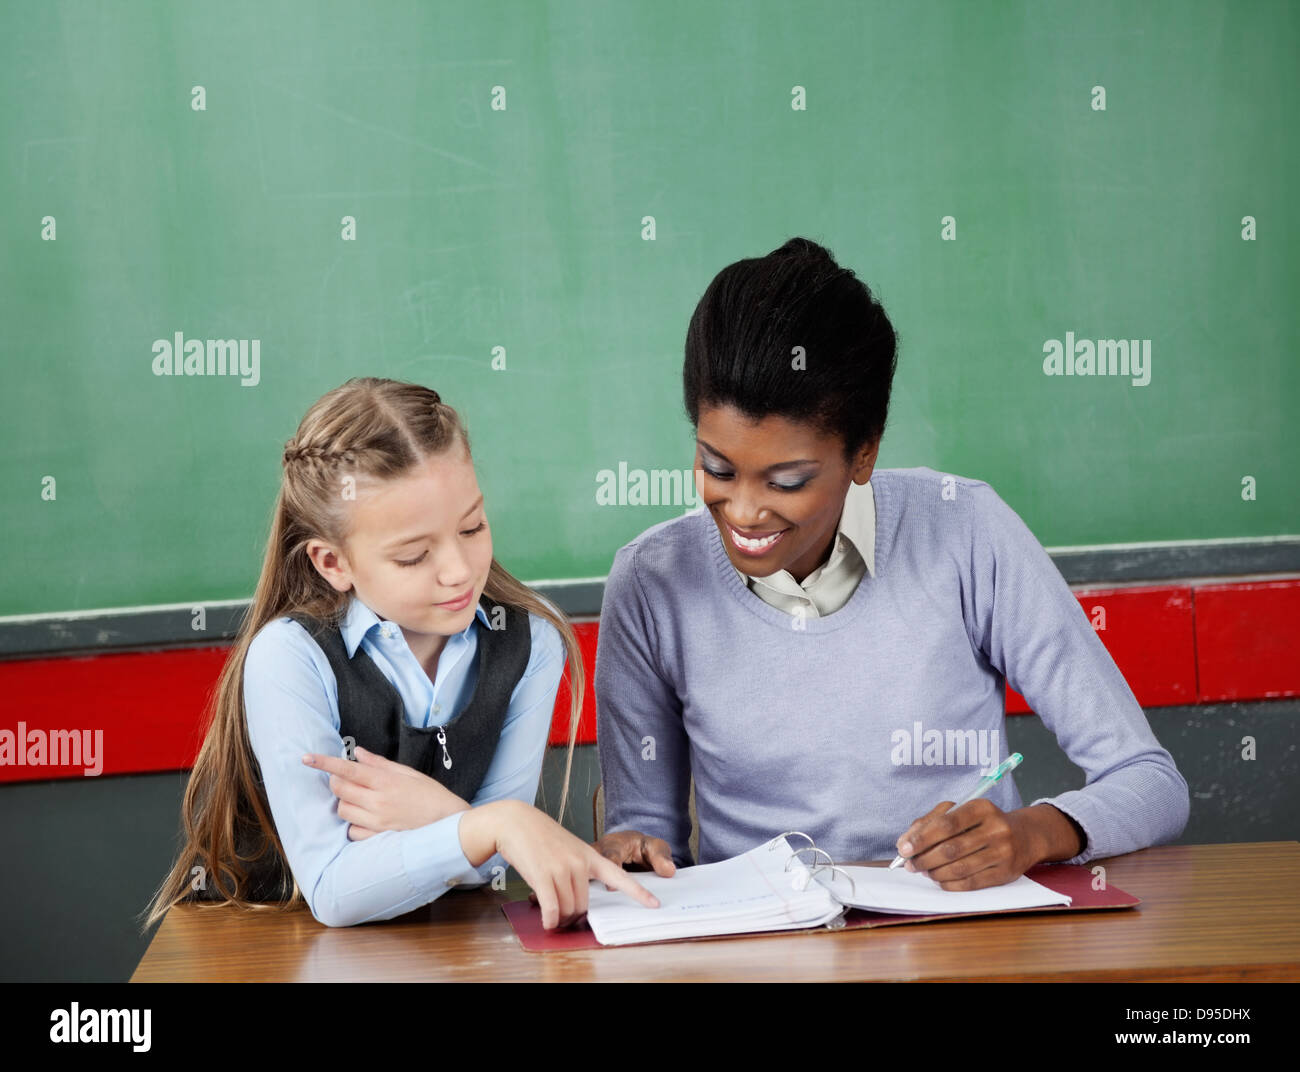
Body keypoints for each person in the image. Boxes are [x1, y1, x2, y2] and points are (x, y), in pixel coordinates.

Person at [593, 238, 1189, 891]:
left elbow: (1150, 782)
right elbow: (645, 834)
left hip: (967, 945)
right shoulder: (652, 581)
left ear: (864, 454)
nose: (744, 510)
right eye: (716, 467)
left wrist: (1031, 834)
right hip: (763, 950)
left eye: (787, 480)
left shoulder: (966, 530)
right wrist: (632, 851)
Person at [144, 377, 654, 930]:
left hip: (430, 951)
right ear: (332, 563)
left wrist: (461, 822)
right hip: (264, 949)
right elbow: (335, 889)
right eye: (413, 556)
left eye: (473, 526)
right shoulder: (289, 658)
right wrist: (488, 824)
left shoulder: (531, 645)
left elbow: (499, 858)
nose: (459, 571)